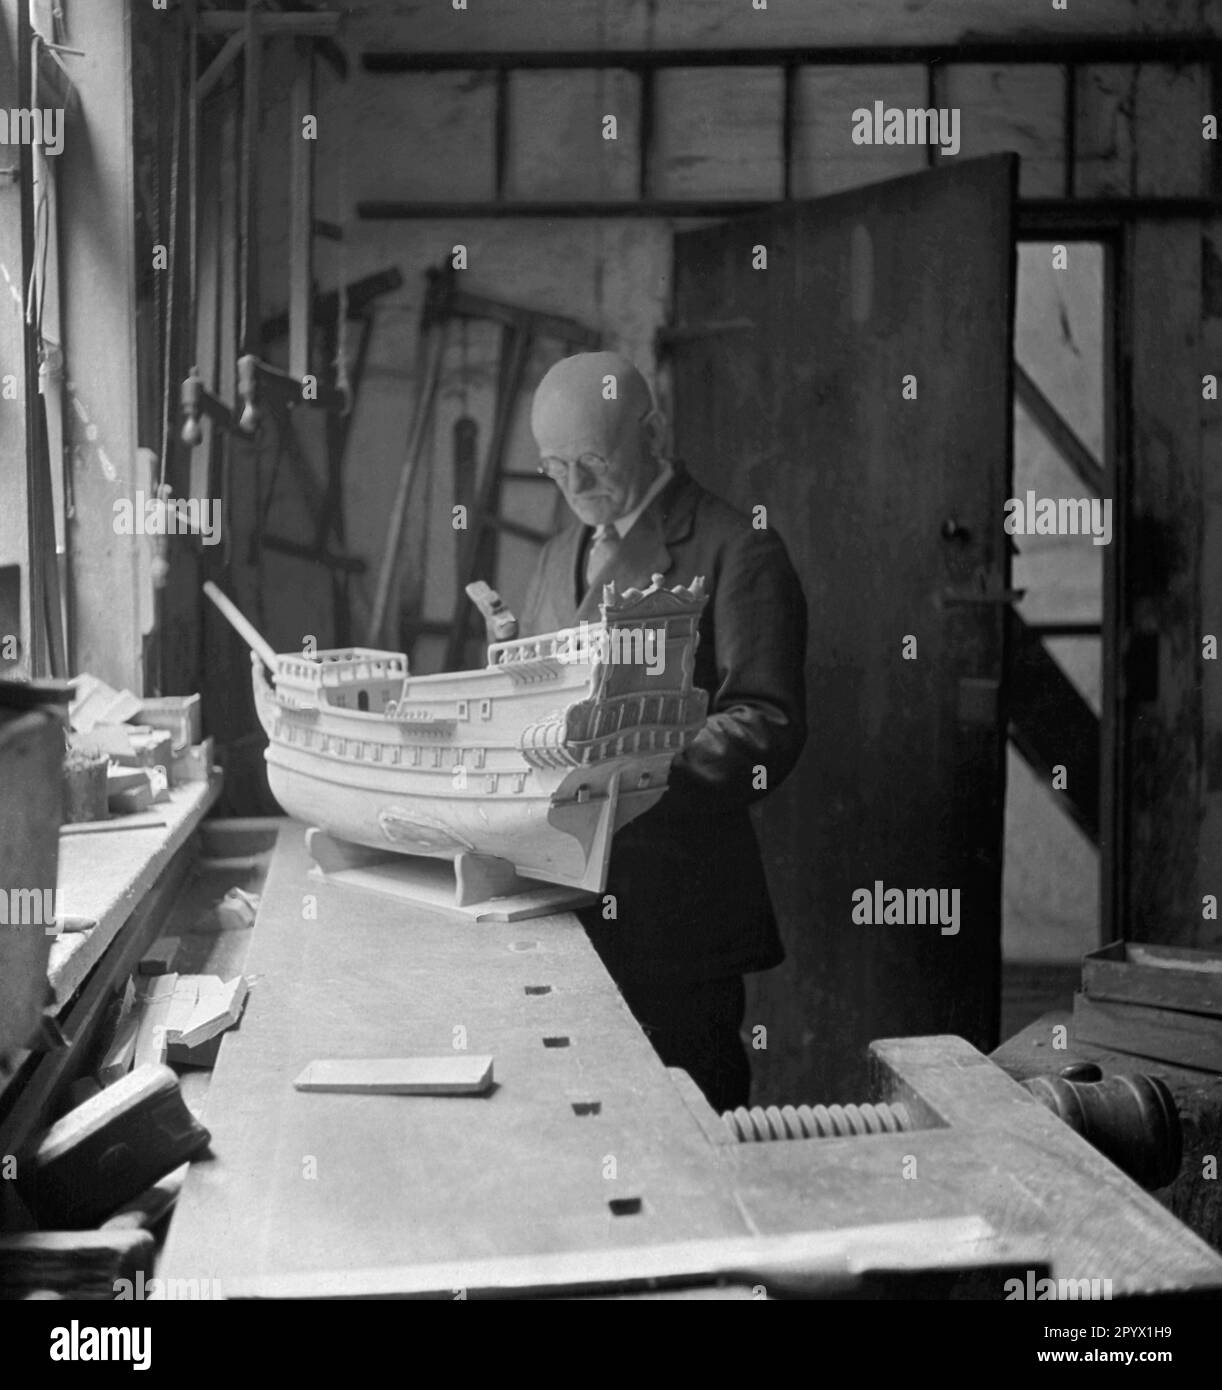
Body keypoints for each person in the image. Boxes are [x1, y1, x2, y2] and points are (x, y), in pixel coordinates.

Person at [520, 351, 807, 1112]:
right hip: (560, 900)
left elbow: (766, 727)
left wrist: (627, 765)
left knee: (689, 1117)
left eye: (591, 461)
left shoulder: (736, 545)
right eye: (554, 467)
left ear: (651, 431)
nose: (574, 488)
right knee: (586, 1122)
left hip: (676, 913)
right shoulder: (553, 560)